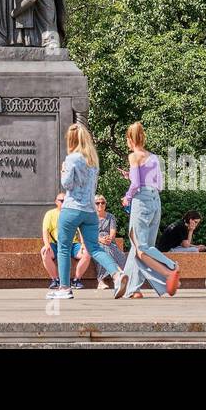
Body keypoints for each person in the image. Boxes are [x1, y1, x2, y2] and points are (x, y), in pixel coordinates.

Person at [49, 123, 126, 300]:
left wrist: (63, 171)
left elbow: (67, 184)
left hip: (72, 209)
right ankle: (117, 274)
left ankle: (64, 288)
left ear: (71, 139)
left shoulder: (72, 158)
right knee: (94, 248)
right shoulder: (93, 161)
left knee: (63, 247)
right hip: (90, 211)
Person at [120, 121, 180, 299]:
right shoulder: (153, 157)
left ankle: (171, 267)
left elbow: (137, 184)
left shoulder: (134, 156)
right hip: (155, 200)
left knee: (141, 246)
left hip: (142, 200)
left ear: (130, 139)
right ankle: (133, 289)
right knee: (140, 247)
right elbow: (158, 184)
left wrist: (127, 197)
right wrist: (130, 176)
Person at [41, 192, 90, 289]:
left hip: (73, 244)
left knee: (87, 253)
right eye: (61, 201)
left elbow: (81, 230)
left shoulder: (74, 214)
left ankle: (76, 280)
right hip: (56, 244)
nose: (64, 203)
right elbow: (45, 230)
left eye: (66, 201)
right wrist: (47, 244)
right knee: (44, 252)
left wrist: (83, 244)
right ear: (56, 202)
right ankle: (56, 280)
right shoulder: (50, 214)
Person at [94, 195, 126, 290]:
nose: (100, 204)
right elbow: (89, 233)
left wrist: (109, 238)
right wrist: (100, 239)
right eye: (97, 203)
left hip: (109, 241)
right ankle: (114, 276)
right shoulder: (91, 217)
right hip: (95, 241)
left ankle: (110, 278)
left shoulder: (110, 217)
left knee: (118, 254)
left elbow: (112, 232)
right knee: (103, 250)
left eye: (102, 202)